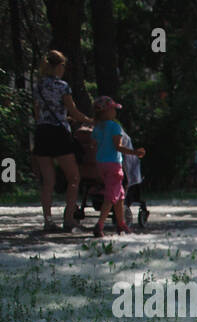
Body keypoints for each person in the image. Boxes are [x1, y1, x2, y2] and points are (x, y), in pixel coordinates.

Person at [32, 50, 91, 233]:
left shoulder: (38, 86)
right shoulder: (62, 86)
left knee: (48, 181)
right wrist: (90, 121)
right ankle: (69, 219)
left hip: (42, 133)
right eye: (63, 65)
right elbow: (73, 112)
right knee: (73, 177)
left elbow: (37, 113)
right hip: (59, 134)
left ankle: (48, 220)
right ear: (58, 66)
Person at [89, 96, 145, 237]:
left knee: (119, 195)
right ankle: (100, 224)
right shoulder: (114, 127)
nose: (115, 111)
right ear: (106, 111)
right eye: (113, 109)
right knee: (110, 197)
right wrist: (135, 152)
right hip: (113, 165)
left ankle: (121, 224)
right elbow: (118, 147)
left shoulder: (97, 128)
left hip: (101, 164)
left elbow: (94, 146)